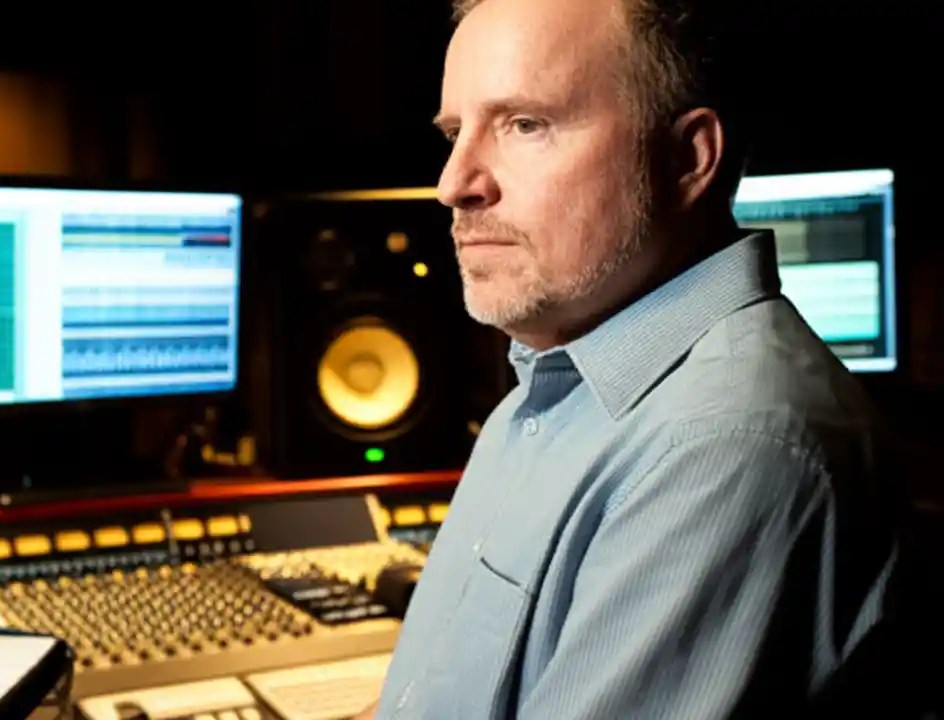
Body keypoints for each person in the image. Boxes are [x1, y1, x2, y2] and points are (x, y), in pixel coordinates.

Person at [358, 0, 908, 717]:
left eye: (525, 125)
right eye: (456, 133)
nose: (454, 183)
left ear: (687, 158)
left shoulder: (726, 445)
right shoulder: (552, 383)